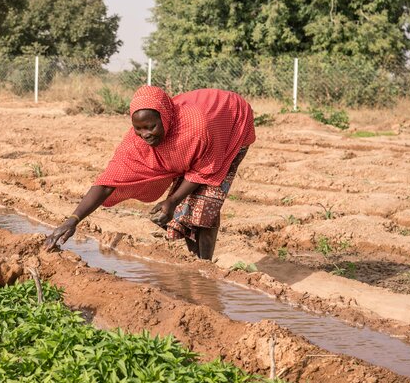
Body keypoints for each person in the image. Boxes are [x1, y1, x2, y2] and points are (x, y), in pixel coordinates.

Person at [43, 85, 255, 260]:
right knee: (183, 210)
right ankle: (194, 262)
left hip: (231, 128)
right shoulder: (135, 142)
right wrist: (73, 220)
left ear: (165, 118)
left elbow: (204, 171)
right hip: (194, 143)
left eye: (151, 127)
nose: (145, 134)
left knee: (205, 206)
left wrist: (171, 201)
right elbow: (108, 182)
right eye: (139, 128)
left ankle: (205, 264)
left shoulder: (195, 131)